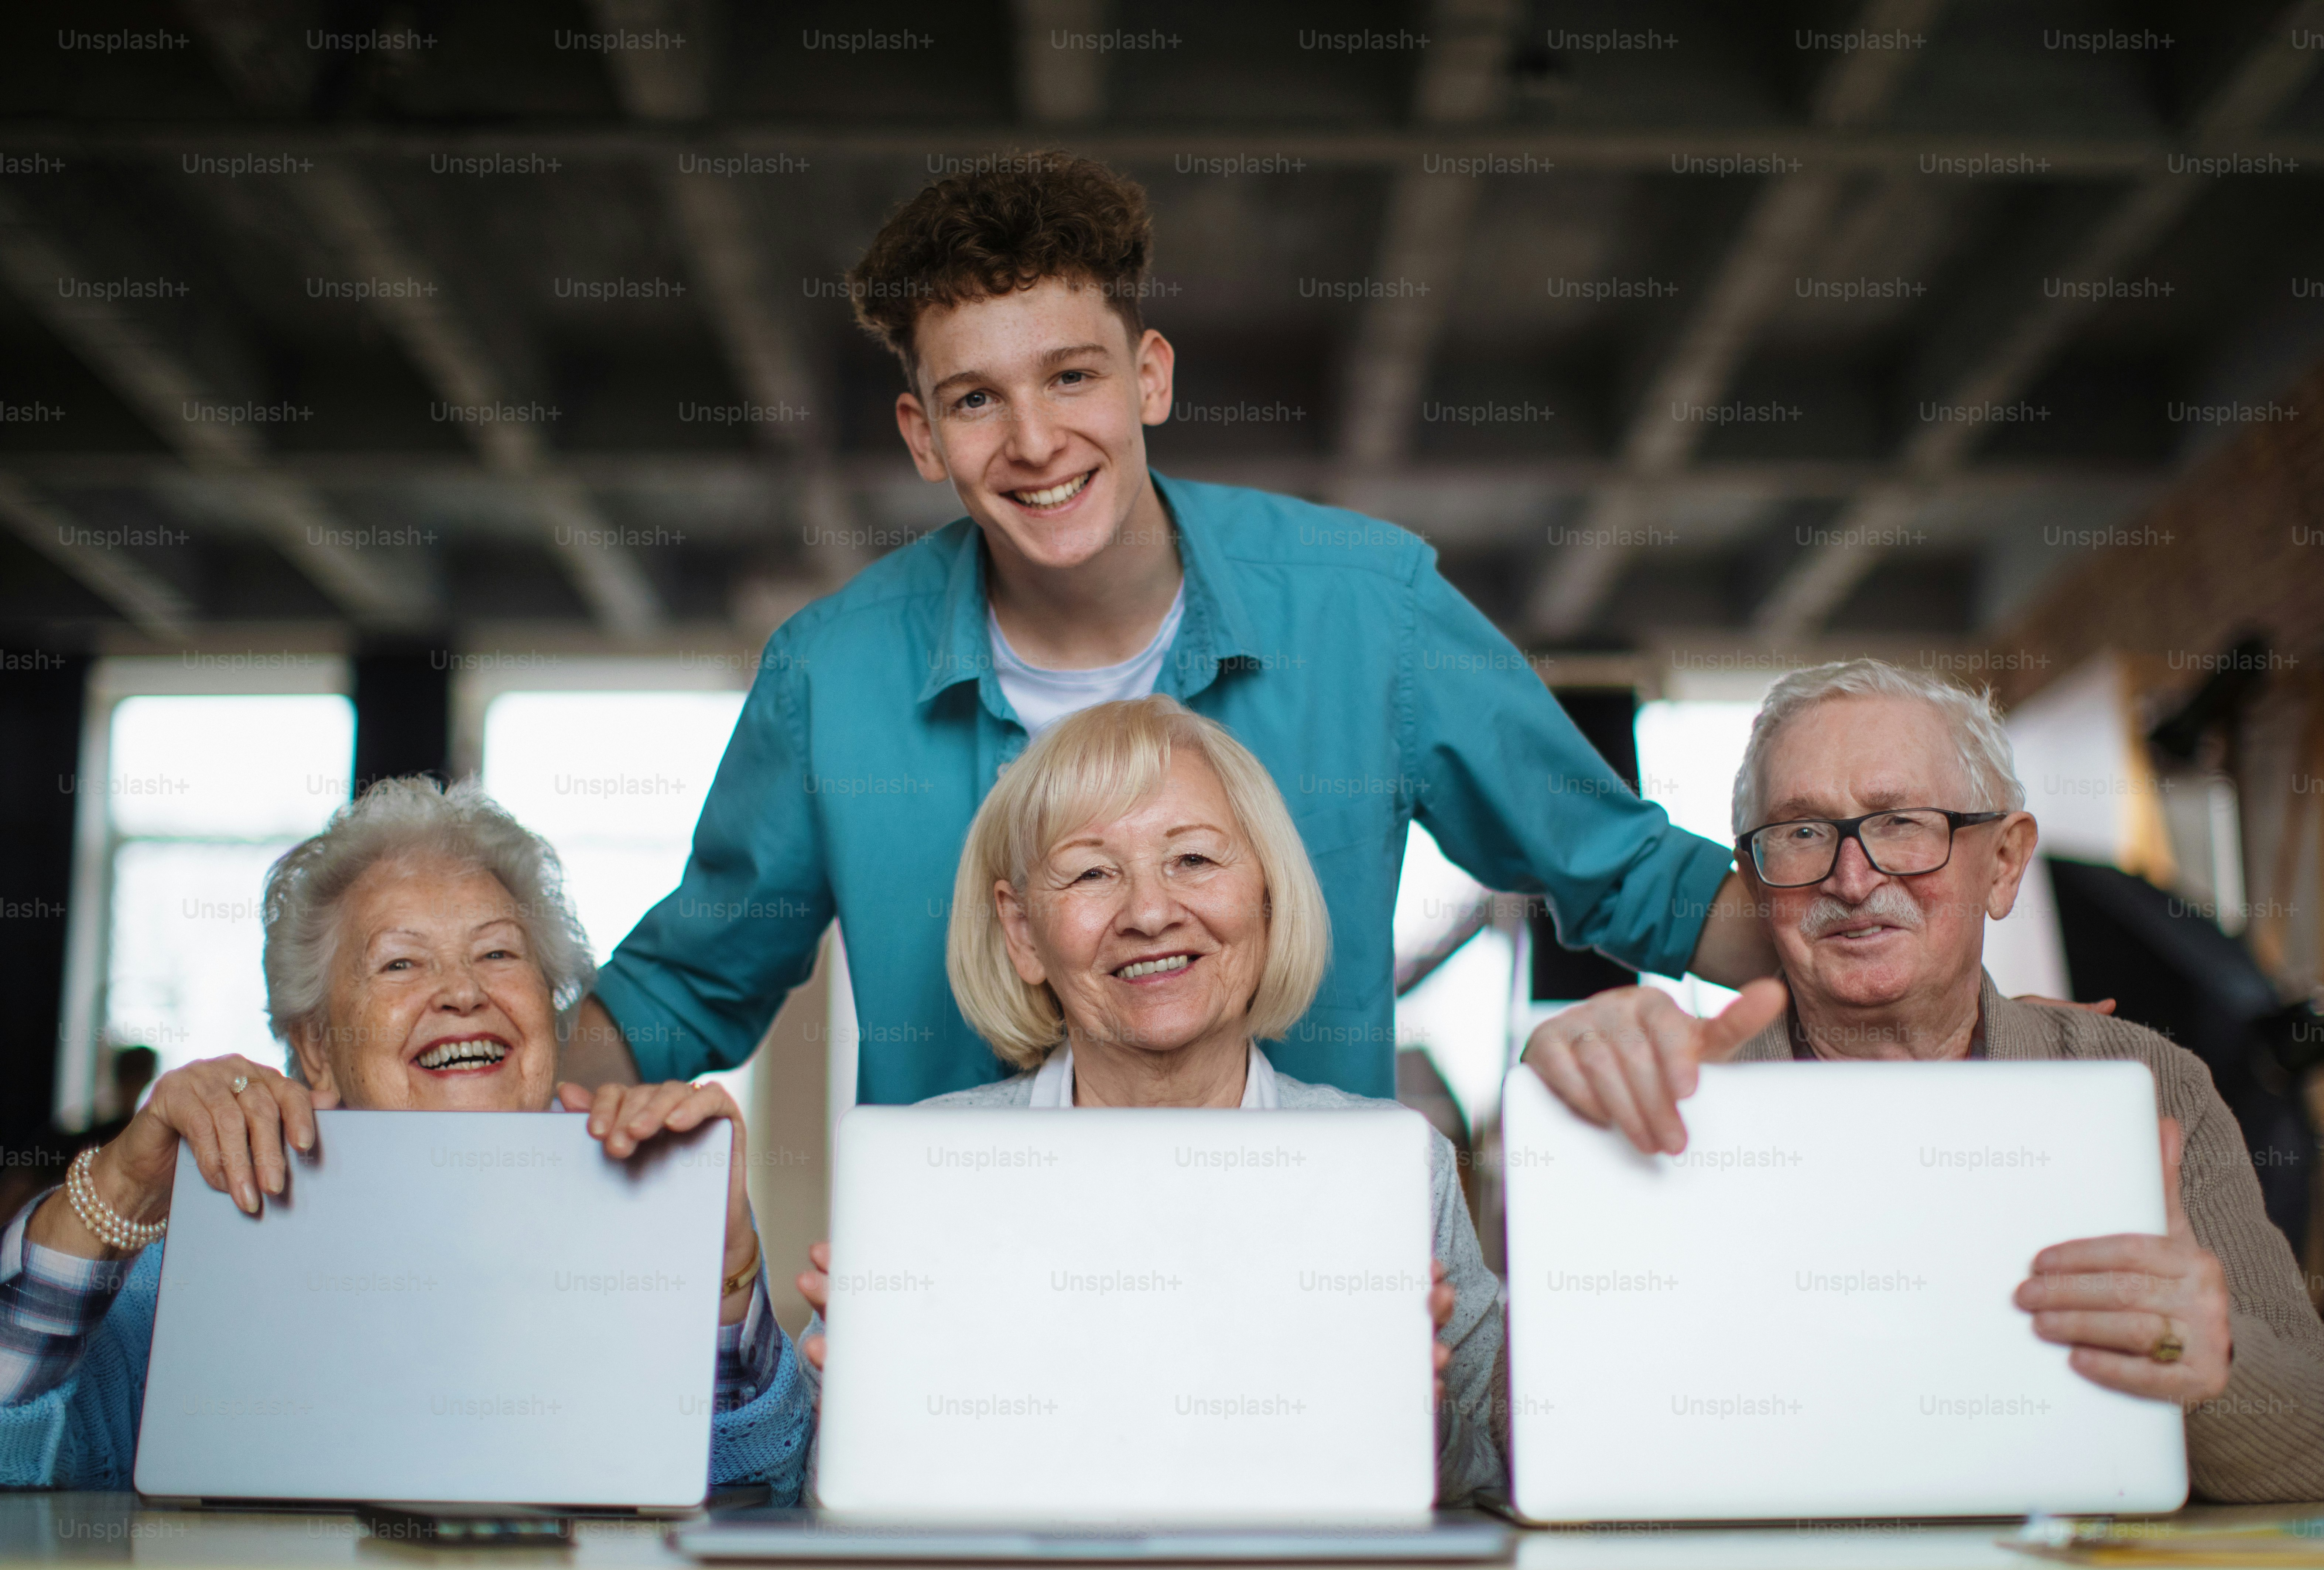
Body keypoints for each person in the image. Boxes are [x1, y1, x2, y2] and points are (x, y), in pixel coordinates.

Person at [563, 150, 1772, 1109]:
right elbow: (683, 989)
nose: (1034, 442)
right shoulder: (830, 678)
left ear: (1148, 377)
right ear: (922, 436)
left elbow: (1625, 874)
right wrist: (466, 1100)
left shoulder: (1366, 610)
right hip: (968, 1292)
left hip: (1297, 1268)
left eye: (1071, 377)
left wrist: (1861, 965)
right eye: (975, 400)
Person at [1523, 659, 2324, 1502]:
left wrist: (2215, 1365)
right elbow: (1531, 1437)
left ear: (2004, 863)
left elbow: (2313, 1446)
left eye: (1902, 822)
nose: (1852, 878)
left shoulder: (2147, 1085)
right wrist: (1564, 1109)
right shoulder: (1653, 1099)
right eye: (1801, 833)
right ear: (1755, 883)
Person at [0, 779, 812, 1497]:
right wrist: (118, 1190)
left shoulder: (642, 1218)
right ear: (317, 1046)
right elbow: (17, 1452)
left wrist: (721, 1263)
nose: (462, 991)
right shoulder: (211, 1239)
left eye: (497, 952)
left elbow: (756, 1492)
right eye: (400, 964)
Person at [794, 696, 1506, 1506]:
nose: (1150, 912)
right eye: (1092, 873)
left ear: (1267, 895)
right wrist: (871, 1419)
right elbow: (810, 1492)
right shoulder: (924, 1173)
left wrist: (1417, 1421)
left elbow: (1493, 1475)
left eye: (1193, 859)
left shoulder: (1398, 1167)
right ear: (1023, 933)